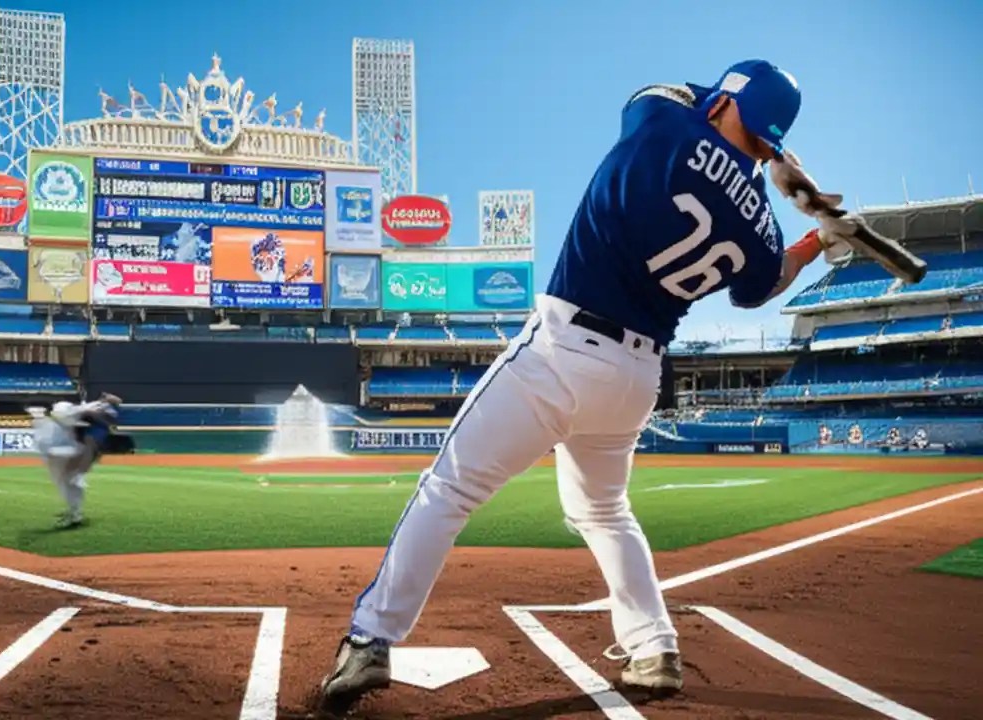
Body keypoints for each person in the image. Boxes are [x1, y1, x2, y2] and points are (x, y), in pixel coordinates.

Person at [319, 59, 864, 712]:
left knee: (450, 488)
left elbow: (661, 93)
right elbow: (762, 288)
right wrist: (814, 236)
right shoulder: (759, 227)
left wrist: (772, 160)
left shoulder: (666, 122)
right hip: (636, 379)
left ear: (725, 101)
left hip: (560, 350)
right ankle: (654, 646)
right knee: (604, 511)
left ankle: (371, 638)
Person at [29, 393, 127, 529]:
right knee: (66, 482)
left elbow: (91, 411)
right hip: (65, 450)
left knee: (68, 480)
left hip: (68, 451)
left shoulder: (81, 415)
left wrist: (103, 403)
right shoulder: (73, 415)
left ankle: (75, 511)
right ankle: (74, 510)